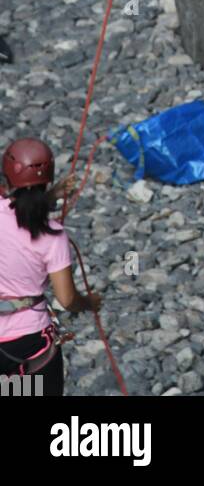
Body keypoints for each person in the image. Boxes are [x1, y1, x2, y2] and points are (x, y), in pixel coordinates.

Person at [0, 138, 101, 396]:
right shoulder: (53, 236)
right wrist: (89, 303)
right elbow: (67, 299)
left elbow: (12, 206)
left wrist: (51, 195)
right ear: (47, 178)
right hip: (31, 344)